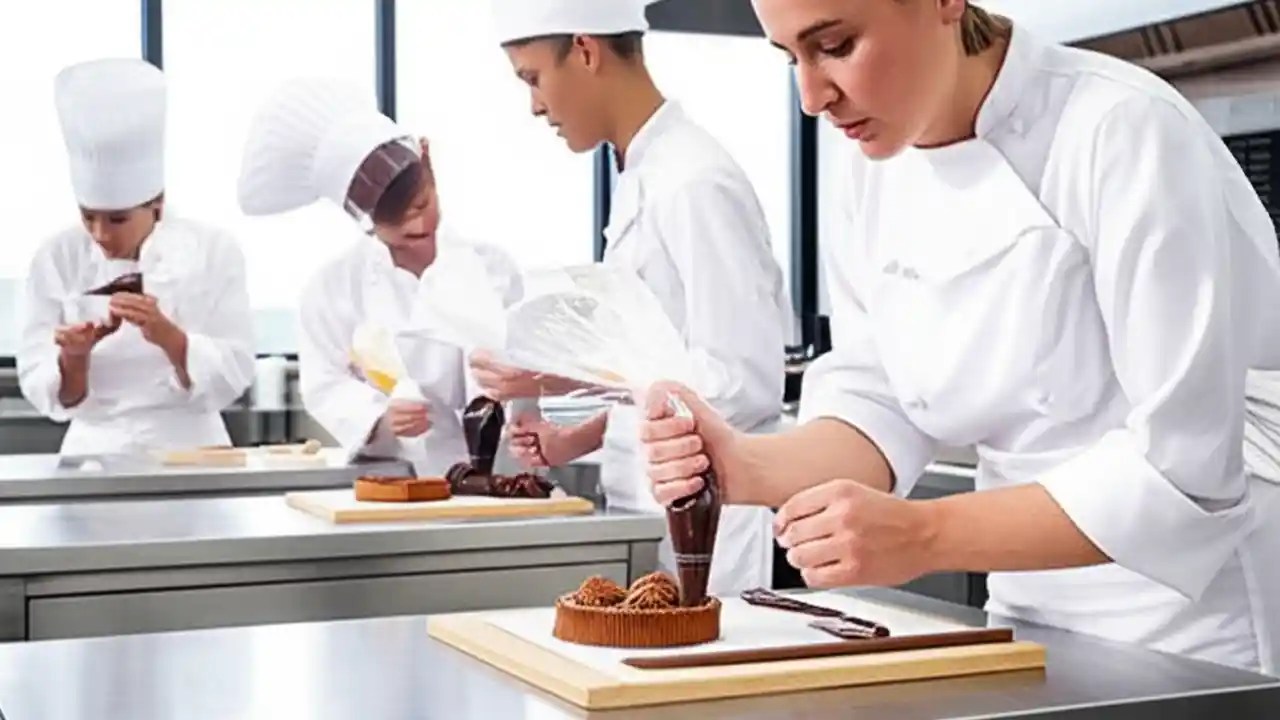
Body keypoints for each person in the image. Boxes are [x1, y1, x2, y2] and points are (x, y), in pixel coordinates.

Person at [639, 0, 1280, 674]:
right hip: (1025, 612)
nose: (810, 97)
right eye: (790, 57)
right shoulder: (872, 165)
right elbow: (882, 400)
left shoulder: (1121, 130)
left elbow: (1184, 473)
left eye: (835, 45)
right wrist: (744, 466)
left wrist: (925, 534)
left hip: (1198, 629)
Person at [473, 0, 793, 594]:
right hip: (645, 514)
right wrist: (579, 434)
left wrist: (557, 375)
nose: (536, 106)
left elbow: (741, 384)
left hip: (704, 532)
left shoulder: (694, 181)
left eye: (533, 78)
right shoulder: (644, 174)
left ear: (586, 50)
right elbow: (659, 364)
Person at [238, 77, 523, 475]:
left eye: (424, 203)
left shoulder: (493, 268)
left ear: (429, 160)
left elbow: (520, 369)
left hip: (497, 479)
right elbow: (324, 385)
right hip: (391, 480)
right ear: (366, 223)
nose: (421, 222)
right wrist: (380, 418)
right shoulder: (332, 290)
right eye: (402, 229)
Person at [18, 58, 254, 455]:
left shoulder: (214, 250)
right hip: (93, 451)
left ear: (157, 205)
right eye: (88, 216)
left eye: (117, 219)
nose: (100, 234)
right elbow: (57, 394)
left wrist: (170, 338)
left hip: (194, 449)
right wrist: (75, 358)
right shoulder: (56, 257)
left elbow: (235, 368)